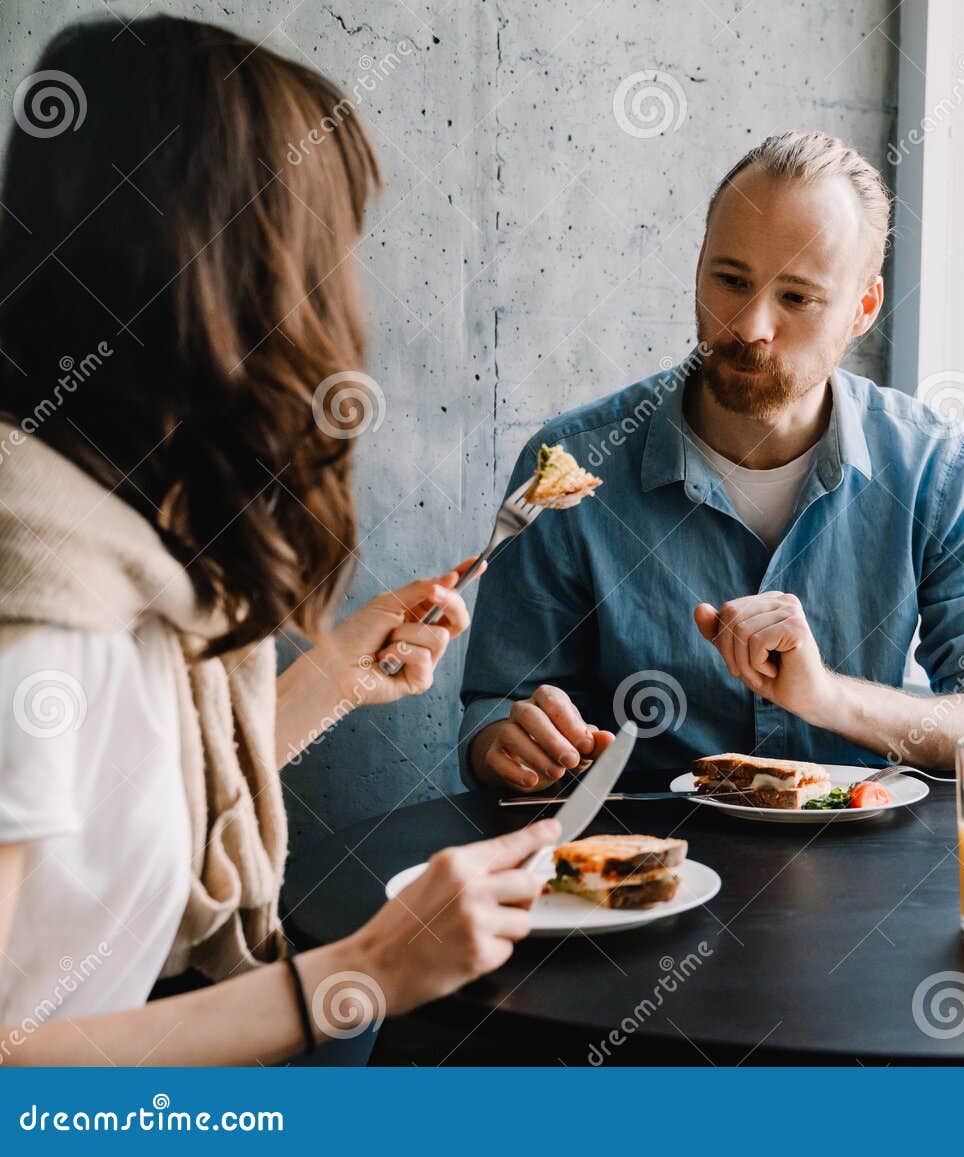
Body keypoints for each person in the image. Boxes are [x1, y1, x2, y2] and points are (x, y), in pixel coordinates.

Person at [0, 16, 556, 1064]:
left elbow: (116, 791)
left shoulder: (112, 539)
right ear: (220, 270)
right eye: (327, 247)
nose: (346, 299)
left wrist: (332, 677)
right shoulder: (34, 604)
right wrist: (363, 970)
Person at [461, 131, 964, 794]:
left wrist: (828, 697)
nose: (750, 326)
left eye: (797, 297)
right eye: (731, 279)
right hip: (641, 877)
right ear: (699, 265)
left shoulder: (933, 466)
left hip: (863, 881)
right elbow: (492, 709)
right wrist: (506, 744)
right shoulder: (573, 465)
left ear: (863, 308)